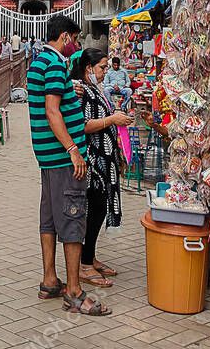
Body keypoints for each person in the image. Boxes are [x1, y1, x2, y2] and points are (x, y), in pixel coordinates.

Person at [27, 14, 111, 317]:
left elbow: (53, 100)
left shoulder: (41, 62)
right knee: (73, 218)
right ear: (64, 37)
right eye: (73, 40)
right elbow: (52, 111)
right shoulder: (52, 64)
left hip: (49, 159)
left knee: (49, 218)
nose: (75, 46)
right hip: (63, 159)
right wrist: (73, 149)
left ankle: (50, 280)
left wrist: (68, 90)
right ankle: (75, 293)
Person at [71, 49, 135, 289]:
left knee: (99, 208)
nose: (106, 71)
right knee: (94, 208)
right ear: (89, 68)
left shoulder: (94, 88)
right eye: (102, 67)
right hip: (92, 160)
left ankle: (90, 256)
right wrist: (111, 120)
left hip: (104, 158)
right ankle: (84, 264)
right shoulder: (80, 90)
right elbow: (81, 125)